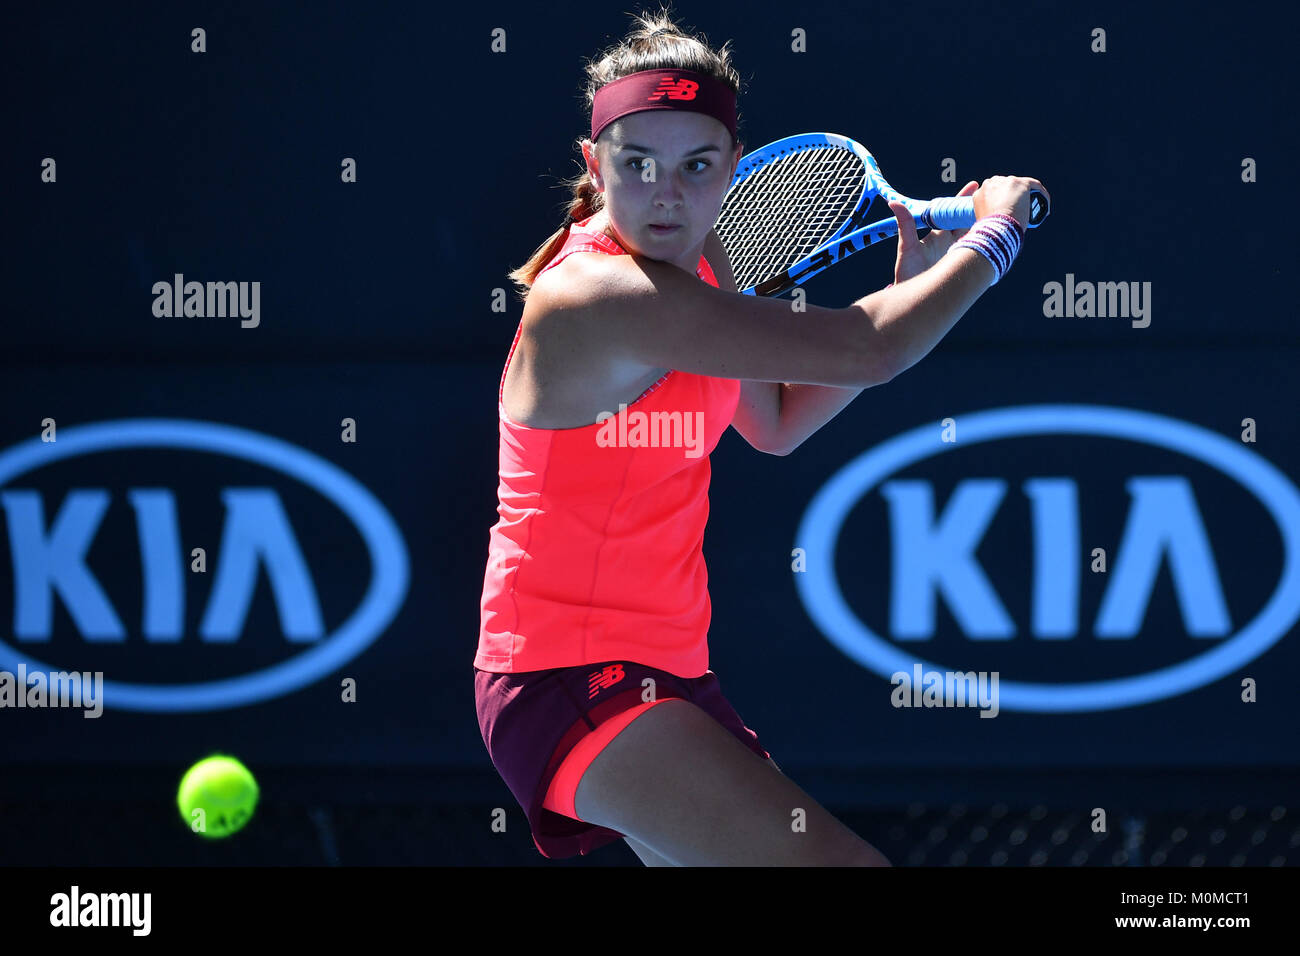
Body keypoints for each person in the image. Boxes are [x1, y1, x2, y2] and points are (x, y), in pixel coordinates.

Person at [473, 8, 1047, 866]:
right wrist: (995, 236)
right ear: (595, 166)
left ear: (731, 170)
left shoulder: (705, 268)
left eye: (697, 167)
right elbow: (871, 346)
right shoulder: (593, 296)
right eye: (639, 166)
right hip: (570, 679)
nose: (668, 194)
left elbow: (774, 422)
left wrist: (909, 280)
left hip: (671, 676)